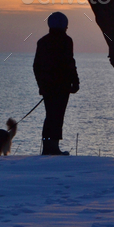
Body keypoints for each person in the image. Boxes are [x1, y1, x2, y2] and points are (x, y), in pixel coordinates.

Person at [33, 12, 79, 155]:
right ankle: (52, 147)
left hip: (48, 86)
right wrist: (75, 82)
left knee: (50, 115)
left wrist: (41, 84)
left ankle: (48, 146)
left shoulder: (42, 41)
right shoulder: (66, 41)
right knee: (57, 116)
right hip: (62, 85)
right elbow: (69, 63)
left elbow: (36, 66)